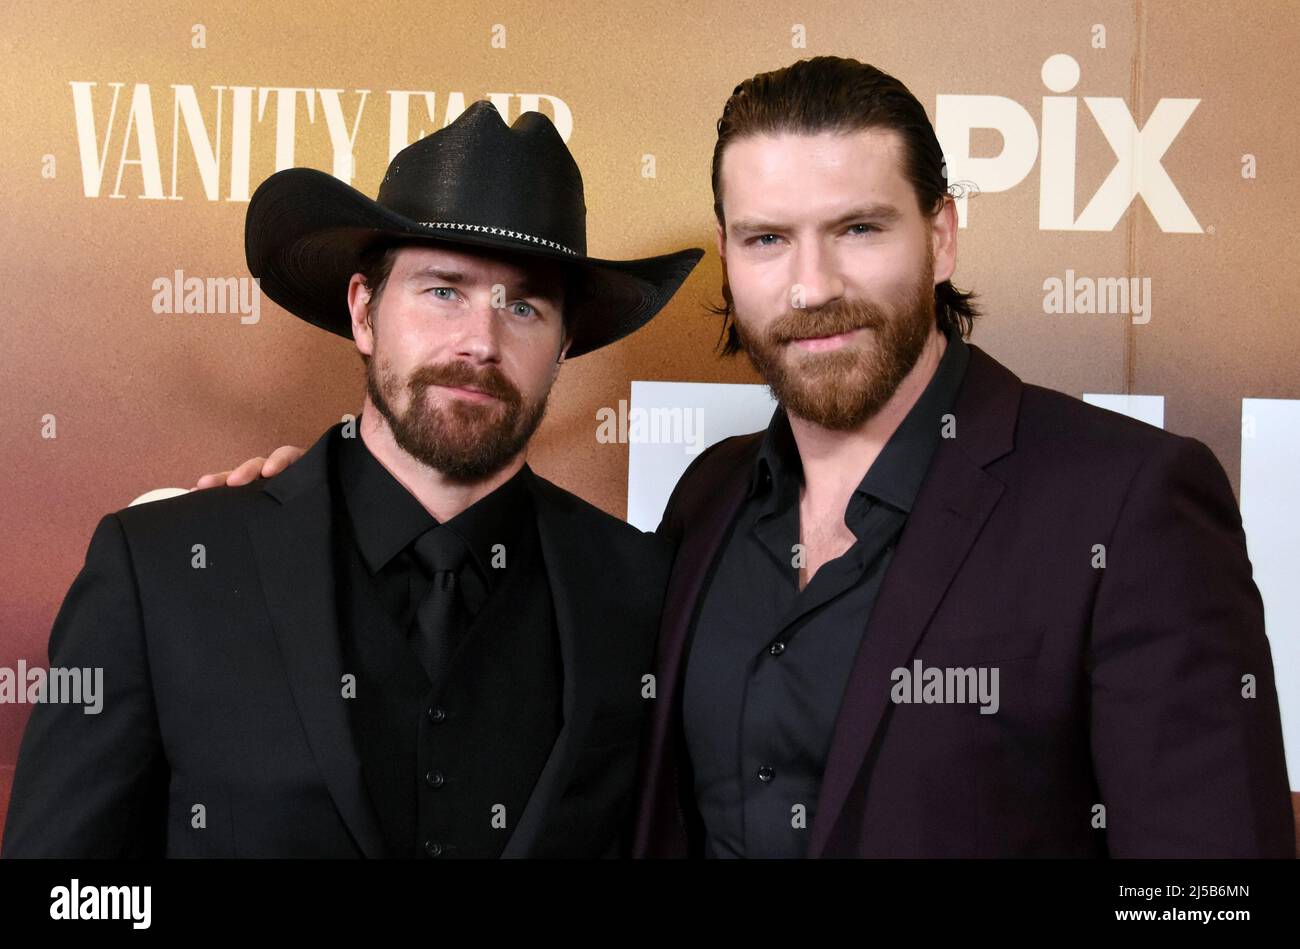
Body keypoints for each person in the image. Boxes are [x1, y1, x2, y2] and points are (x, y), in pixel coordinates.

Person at [190, 58, 1296, 859]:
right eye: (767, 239)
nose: (810, 284)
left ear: (942, 234)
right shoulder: (707, 502)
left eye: (858, 229)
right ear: (732, 258)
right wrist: (303, 529)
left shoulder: (1125, 500)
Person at [2, 100, 702, 858]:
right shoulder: (166, 568)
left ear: (565, 345)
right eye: (444, 289)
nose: (480, 341)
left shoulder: (643, 590)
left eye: (524, 306)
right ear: (364, 312)